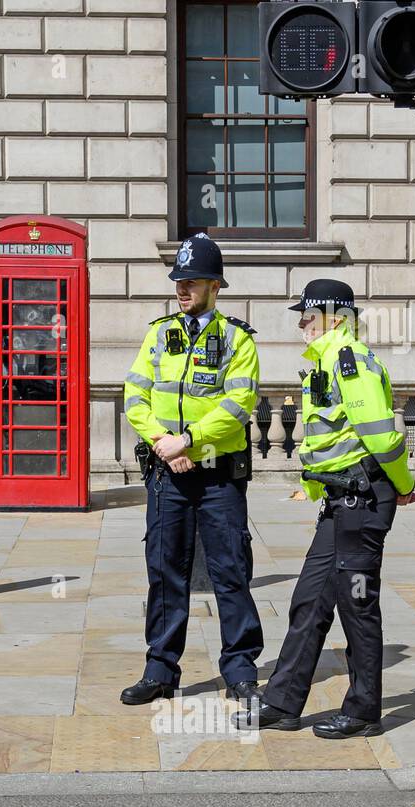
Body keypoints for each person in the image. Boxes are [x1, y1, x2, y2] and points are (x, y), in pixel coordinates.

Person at [234, 279, 415, 739]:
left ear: (335, 317)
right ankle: (282, 702)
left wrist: (403, 485)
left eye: (308, 314)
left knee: (356, 604)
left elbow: (379, 432)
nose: (300, 323)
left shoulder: (348, 360)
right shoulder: (326, 362)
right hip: (340, 502)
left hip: (362, 500)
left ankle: (363, 711)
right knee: (309, 600)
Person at [120, 233, 263, 706]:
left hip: (218, 474)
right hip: (168, 471)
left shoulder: (237, 339)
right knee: (165, 570)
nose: (182, 289)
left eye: (192, 281)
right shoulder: (159, 334)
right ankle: (160, 670)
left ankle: (240, 670)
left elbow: (238, 403)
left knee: (230, 570)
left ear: (215, 285)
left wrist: (190, 439)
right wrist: (164, 442)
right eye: (179, 280)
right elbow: (134, 396)